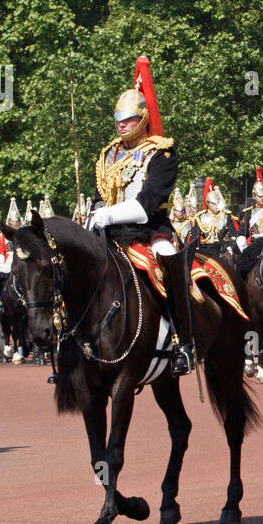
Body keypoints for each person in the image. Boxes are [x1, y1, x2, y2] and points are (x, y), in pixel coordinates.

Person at [87, 77, 195, 375]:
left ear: (143, 118)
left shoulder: (162, 153)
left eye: (129, 118)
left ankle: (183, 343)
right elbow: (101, 196)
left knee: (167, 260)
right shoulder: (108, 154)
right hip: (110, 233)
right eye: (119, 119)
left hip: (150, 229)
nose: (122, 124)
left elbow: (147, 203)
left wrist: (107, 215)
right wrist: (97, 213)